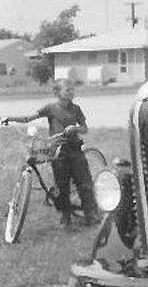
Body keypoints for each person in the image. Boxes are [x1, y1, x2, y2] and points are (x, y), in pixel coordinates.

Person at [2, 79, 100, 227]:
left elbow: (84, 128)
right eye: (67, 90)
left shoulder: (76, 109)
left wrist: (75, 128)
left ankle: (90, 216)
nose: (71, 93)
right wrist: (10, 118)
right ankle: (65, 217)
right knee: (62, 187)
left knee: (84, 184)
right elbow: (29, 118)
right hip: (58, 154)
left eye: (72, 90)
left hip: (75, 151)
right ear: (57, 92)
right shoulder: (50, 108)